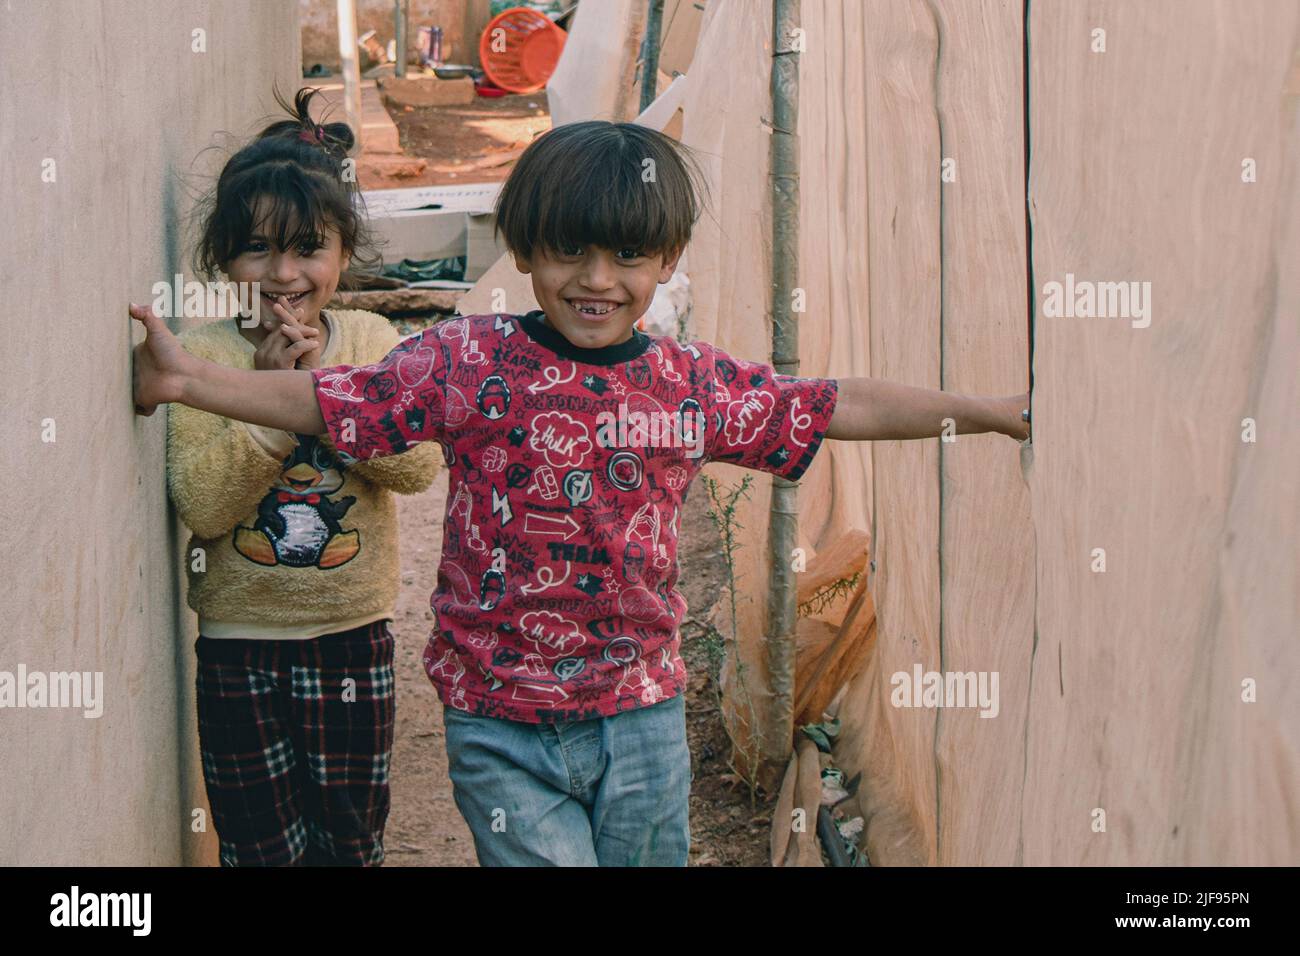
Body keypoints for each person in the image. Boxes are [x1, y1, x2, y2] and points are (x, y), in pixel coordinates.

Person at [132, 119, 1028, 867]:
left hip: (639, 714)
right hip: (496, 721)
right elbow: (325, 401)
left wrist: (989, 412)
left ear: (668, 259)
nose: (597, 279)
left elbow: (836, 404)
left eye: (628, 254)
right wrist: (189, 382)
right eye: (570, 250)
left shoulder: (690, 385)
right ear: (524, 249)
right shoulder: (465, 362)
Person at [165, 88, 441, 866]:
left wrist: (331, 398)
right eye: (257, 249)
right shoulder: (205, 359)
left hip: (353, 642)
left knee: (351, 845)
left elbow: (418, 467)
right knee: (258, 849)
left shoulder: (371, 338)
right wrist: (267, 409)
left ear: (344, 255)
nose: (283, 274)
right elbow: (207, 508)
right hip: (238, 652)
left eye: (308, 248)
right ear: (223, 256)